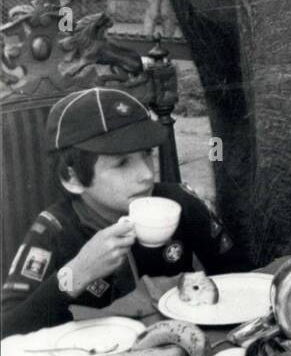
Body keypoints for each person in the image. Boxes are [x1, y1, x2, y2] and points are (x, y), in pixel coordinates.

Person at [1, 87, 246, 337]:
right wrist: (76, 274)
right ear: (71, 177)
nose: (147, 175)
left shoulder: (181, 204)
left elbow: (242, 278)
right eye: (121, 163)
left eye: (147, 154)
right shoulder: (53, 230)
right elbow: (6, 329)